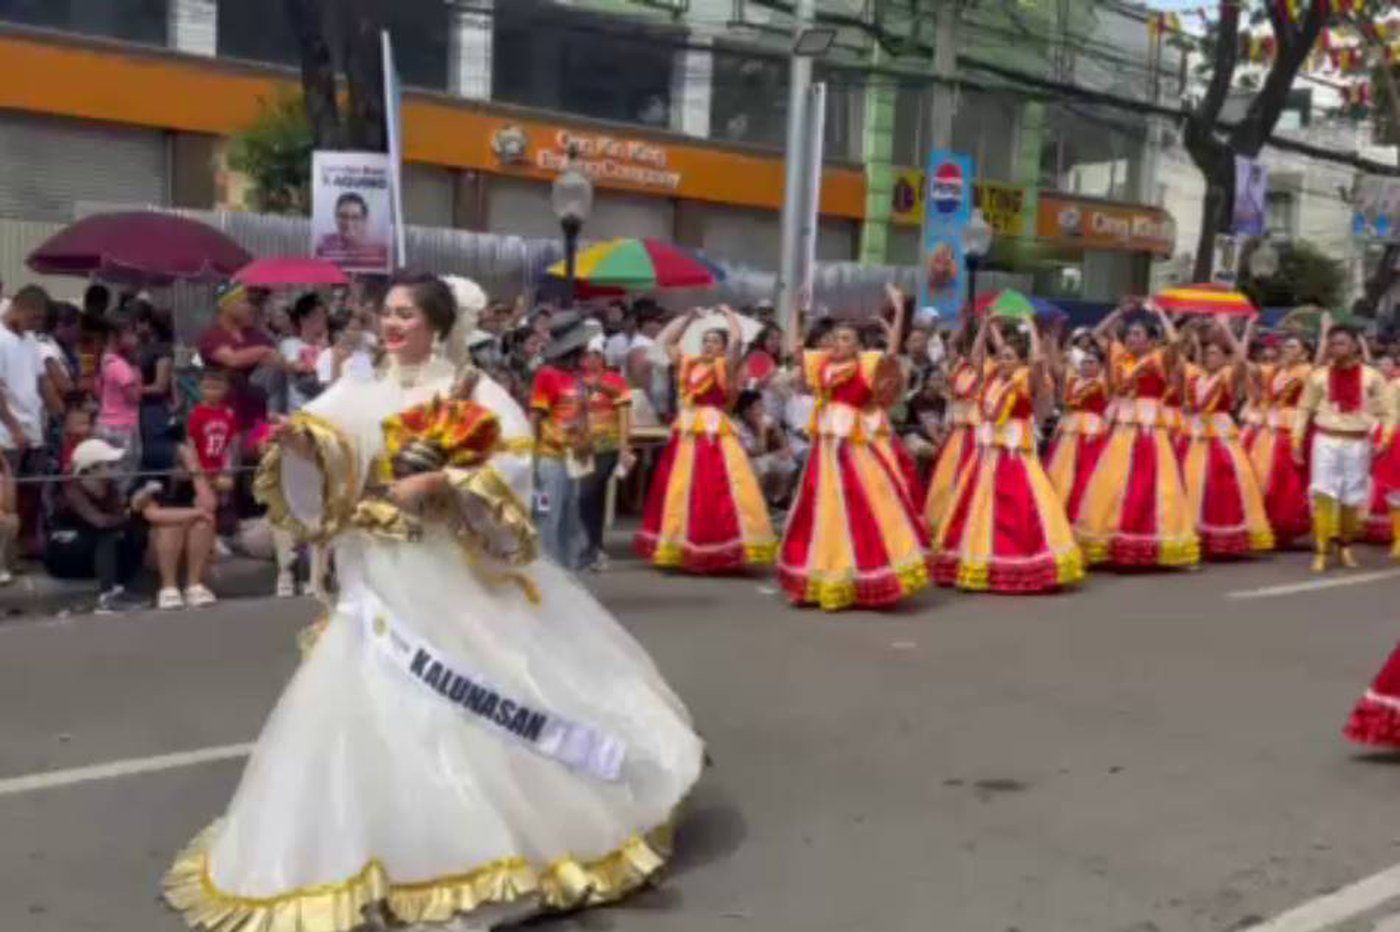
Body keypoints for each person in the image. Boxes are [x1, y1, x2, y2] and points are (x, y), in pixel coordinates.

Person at [164, 270, 702, 931]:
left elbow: (510, 467)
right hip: (377, 570)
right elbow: (332, 443)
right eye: (387, 313)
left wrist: (441, 481)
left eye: (406, 315)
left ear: (438, 326)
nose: (391, 325)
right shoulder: (361, 384)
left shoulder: (473, 391)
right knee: (360, 703)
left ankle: (475, 849)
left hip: (445, 570)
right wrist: (303, 445)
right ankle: (361, 850)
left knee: (462, 703)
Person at [778, 295, 933, 610]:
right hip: (825, 447)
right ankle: (822, 575)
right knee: (821, 509)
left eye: (846, 339)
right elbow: (795, 350)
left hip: (854, 446)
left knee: (861, 507)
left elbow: (893, 353)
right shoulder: (823, 365)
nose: (838, 343)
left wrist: (898, 313)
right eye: (836, 337)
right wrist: (795, 314)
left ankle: (863, 576)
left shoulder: (866, 365)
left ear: (859, 346)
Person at [933, 316, 1084, 593]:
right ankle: (979, 559)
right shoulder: (990, 379)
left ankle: (1019, 559)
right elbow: (976, 356)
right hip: (988, 451)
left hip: (1016, 453)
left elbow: (1038, 360)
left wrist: (1030, 326)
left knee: (1019, 505)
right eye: (1001, 357)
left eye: (1009, 357)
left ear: (1020, 361)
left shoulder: (1027, 379)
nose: (1003, 362)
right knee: (978, 506)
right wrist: (985, 327)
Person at [635, 307, 776, 573]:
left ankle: (718, 547)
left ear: (723, 348)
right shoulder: (690, 364)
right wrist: (688, 319)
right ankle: (682, 545)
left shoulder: (726, 367)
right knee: (680, 488)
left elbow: (736, 341)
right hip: (689, 429)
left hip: (714, 430)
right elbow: (669, 344)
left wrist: (729, 316)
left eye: (714, 341)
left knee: (715, 487)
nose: (709, 345)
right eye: (706, 341)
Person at [1075, 304, 1200, 568]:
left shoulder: (1159, 359)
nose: (1131, 338)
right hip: (1122, 426)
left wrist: (1161, 314)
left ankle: (1150, 540)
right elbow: (1096, 334)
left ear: (1151, 341)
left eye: (1138, 334)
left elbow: (1175, 343)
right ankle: (1110, 539)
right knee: (1114, 481)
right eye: (1130, 334)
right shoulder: (1122, 358)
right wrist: (1120, 312)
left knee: (1149, 482)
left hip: (1148, 427)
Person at [1294, 321, 1395, 572]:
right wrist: (1296, 440)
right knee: (1323, 492)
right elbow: (1304, 408)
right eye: (1332, 344)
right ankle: (1322, 550)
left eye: (1341, 343)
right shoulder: (1318, 376)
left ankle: (1345, 546)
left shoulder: (1372, 377)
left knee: (1352, 495)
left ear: (1354, 347)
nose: (1335, 348)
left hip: (1358, 442)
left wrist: (1384, 440)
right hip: (1326, 439)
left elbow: (1389, 411)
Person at [1176, 318, 1274, 558]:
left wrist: (1229, 329)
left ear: (1223, 358)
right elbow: (1177, 358)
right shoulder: (1196, 376)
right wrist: (1188, 332)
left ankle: (1221, 533)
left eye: (1215, 354)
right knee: (1191, 479)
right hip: (1194, 431)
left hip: (1219, 432)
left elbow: (1240, 358)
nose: (1209, 357)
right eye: (1207, 353)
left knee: (1221, 481)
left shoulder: (1228, 375)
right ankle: (1192, 531)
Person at [43, 439, 145, 613]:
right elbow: (99, 521)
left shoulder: (109, 487)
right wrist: (128, 513)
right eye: (109, 464)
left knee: (135, 533)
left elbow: (119, 516)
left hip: (91, 549)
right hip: (64, 549)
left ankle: (119, 587)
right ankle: (107, 597)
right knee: (106, 536)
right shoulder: (71, 489)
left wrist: (132, 511)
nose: (115, 468)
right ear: (91, 468)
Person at [528, 314, 598, 570]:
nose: (587, 350)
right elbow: (536, 417)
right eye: (584, 346)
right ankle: (548, 570)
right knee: (549, 515)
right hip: (551, 456)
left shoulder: (579, 376)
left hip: (575, 457)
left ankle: (568, 569)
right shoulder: (547, 375)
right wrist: (532, 458)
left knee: (571, 515)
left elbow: (584, 414)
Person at [1245, 331, 1314, 548]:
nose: (1287, 350)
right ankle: (1266, 523)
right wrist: (1245, 333)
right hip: (1269, 427)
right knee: (1263, 474)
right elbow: (1246, 365)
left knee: (1286, 477)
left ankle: (1286, 525)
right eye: (1286, 346)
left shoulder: (1307, 371)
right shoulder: (1274, 370)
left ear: (1304, 353)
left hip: (1291, 427)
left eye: (1293, 347)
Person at [923, 316, 987, 539]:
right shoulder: (957, 368)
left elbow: (977, 353)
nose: (969, 352)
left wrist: (984, 327)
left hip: (973, 430)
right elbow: (951, 343)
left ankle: (967, 518)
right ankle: (945, 518)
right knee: (948, 475)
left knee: (968, 475)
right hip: (956, 430)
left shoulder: (981, 372)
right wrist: (964, 322)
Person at [576, 335, 633, 572]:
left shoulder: (615, 380)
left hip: (607, 445)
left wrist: (624, 446)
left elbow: (624, 412)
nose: (590, 360)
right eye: (586, 355)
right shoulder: (574, 379)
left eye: (595, 355)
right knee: (588, 496)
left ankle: (592, 545)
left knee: (590, 492)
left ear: (603, 357)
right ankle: (591, 544)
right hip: (579, 445)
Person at [196, 283, 281, 432]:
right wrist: (262, 352)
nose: (250, 307)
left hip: (256, 413)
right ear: (226, 305)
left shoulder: (257, 336)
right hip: (222, 417)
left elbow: (279, 362)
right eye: (244, 302)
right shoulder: (212, 336)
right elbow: (232, 360)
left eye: (252, 303)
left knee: (259, 445)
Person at [1045, 341, 1109, 527]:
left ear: (1101, 366)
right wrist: (1052, 340)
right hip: (1068, 430)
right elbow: (1057, 370)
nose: (1086, 366)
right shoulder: (1073, 381)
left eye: (1092, 362)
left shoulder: (1104, 383)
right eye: (1084, 362)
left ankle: (1082, 515)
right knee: (1061, 471)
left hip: (1091, 432)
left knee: (1086, 473)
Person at [94, 312, 143, 479]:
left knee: (108, 475)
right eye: (130, 333)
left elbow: (98, 391)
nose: (135, 339)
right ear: (114, 336)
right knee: (125, 476)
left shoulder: (104, 360)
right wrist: (137, 373)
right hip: (123, 427)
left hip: (105, 423)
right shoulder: (121, 366)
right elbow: (134, 397)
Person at [735, 388, 800, 508]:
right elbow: (758, 451)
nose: (761, 410)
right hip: (747, 461)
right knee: (763, 464)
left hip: (763, 456)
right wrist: (761, 430)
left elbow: (779, 432)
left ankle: (779, 499)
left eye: (761, 406)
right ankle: (759, 503)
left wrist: (785, 447)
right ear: (746, 411)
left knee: (789, 463)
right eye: (757, 407)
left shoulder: (764, 418)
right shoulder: (739, 426)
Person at [187, 368, 238, 518]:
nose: (212, 392)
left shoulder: (229, 414)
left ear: (225, 389)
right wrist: (197, 468)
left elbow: (232, 444)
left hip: (222, 467)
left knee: (224, 502)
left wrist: (229, 470)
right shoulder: (197, 414)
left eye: (217, 388)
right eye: (208, 387)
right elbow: (191, 443)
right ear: (200, 388)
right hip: (203, 466)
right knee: (204, 504)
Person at [278, 293, 329, 412]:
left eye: (323, 315)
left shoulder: (328, 348)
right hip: (300, 412)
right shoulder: (290, 344)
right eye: (317, 316)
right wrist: (321, 351)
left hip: (324, 411)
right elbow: (299, 368)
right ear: (303, 319)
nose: (322, 320)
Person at [315, 191, 389, 269]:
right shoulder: (323, 244)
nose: (348, 223)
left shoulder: (378, 250)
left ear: (364, 220)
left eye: (355, 217)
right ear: (336, 217)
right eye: (343, 216)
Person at [317, 310, 376, 387]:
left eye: (360, 329)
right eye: (354, 329)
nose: (359, 333)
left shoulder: (362, 354)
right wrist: (337, 361)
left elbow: (369, 383)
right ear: (340, 332)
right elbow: (329, 389)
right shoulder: (326, 355)